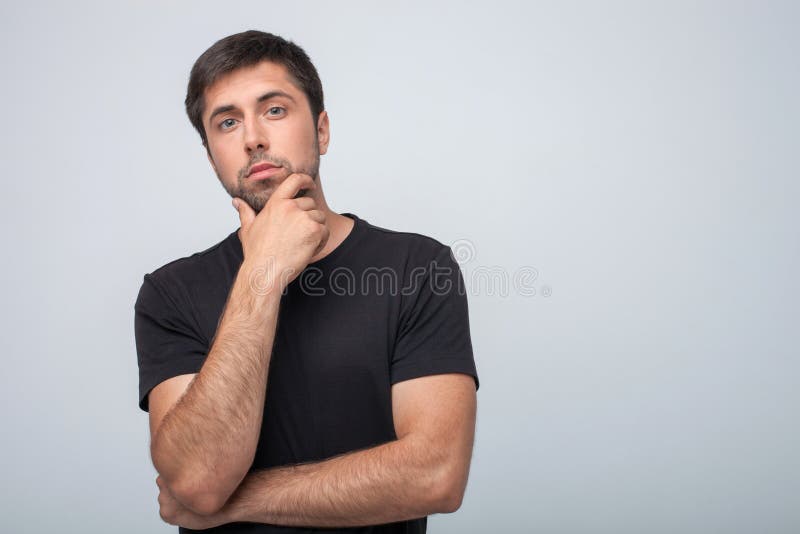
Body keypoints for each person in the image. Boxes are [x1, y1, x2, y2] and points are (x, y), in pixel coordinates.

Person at [134, 30, 480, 533]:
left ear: (321, 131)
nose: (253, 137)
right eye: (227, 122)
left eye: (274, 110)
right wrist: (263, 273)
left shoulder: (418, 268)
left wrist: (235, 505)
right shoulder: (170, 294)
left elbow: (435, 476)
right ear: (212, 157)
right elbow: (197, 481)